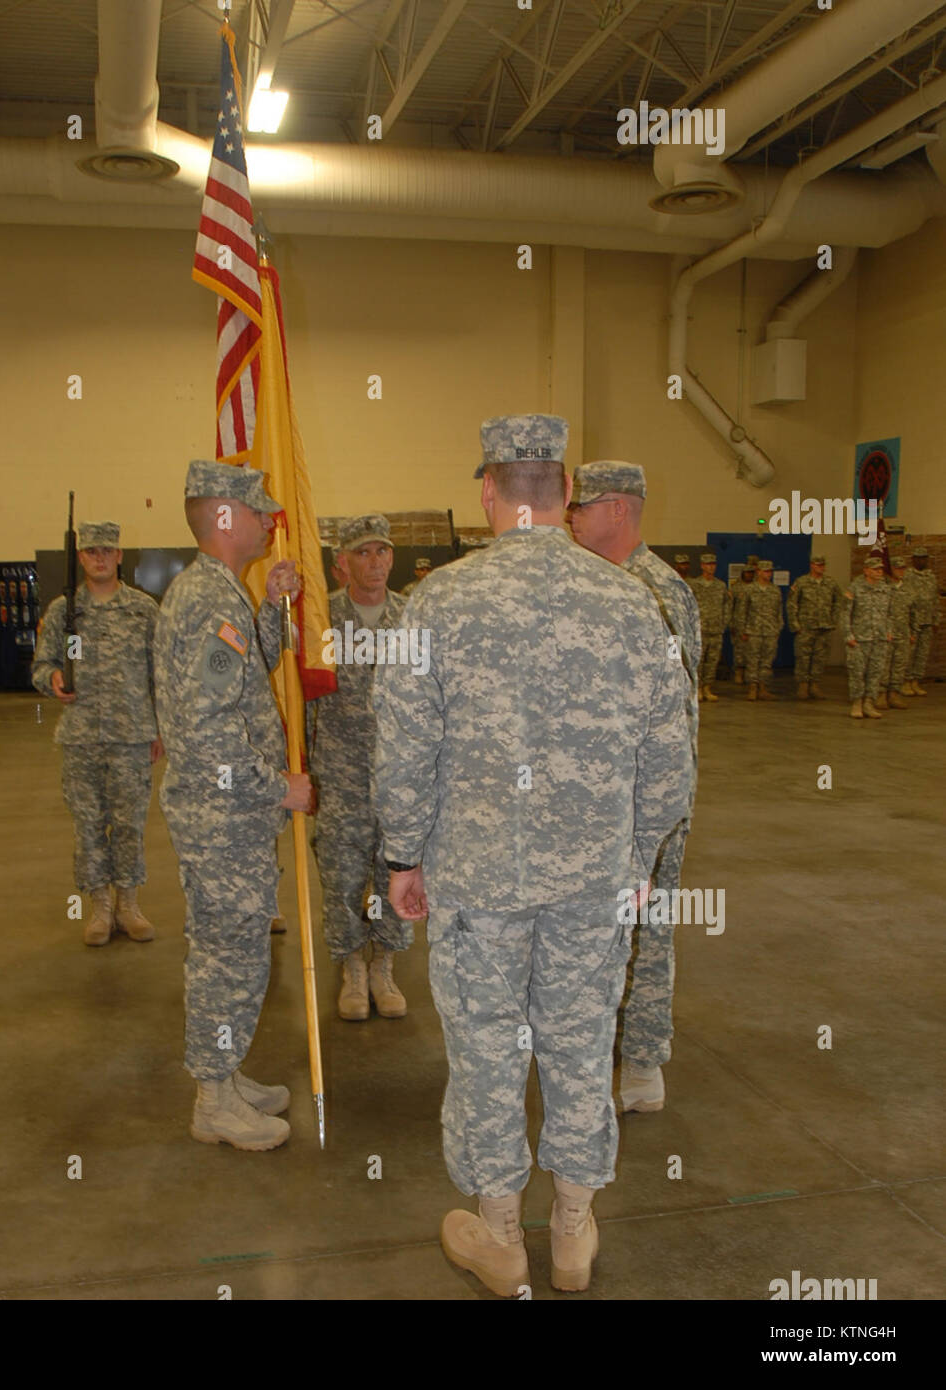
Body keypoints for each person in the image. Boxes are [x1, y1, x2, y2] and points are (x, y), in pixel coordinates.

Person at [374, 417, 691, 1296]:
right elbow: (670, 760)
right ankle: (575, 1233)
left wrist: (404, 856)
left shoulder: (435, 600)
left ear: (488, 489)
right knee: (582, 1044)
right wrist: (633, 855)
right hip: (593, 882)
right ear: (562, 492)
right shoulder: (633, 602)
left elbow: (402, 747)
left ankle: (504, 1236)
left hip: (476, 884)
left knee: (485, 1050)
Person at [155, 460, 314, 1153]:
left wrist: (274, 606)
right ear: (225, 517)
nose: (270, 522)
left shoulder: (216, 594)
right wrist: (277, 786)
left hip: (224, 818)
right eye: (259, 512)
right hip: (224, 818)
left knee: (234, 951)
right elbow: (207, 730)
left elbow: (246, 674)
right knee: (228, 957)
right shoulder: (209, 600)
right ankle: (214, 1099)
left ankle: (223, 1075)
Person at [567, 462, 701, 1117]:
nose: (569, 518)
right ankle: (602, 1050)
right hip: (601, 801)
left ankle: (641, 1063)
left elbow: (662, 717)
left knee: (645, 929)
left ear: (617, 509)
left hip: (645, 804)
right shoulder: (603, 584)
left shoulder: (652, 591)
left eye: (580, 508)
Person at [32, 525, 162, 946]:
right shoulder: (64, 611)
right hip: (81, 737)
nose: (100, 558)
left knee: (129, 824)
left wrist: (160, 729)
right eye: (91, 551)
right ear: (81, 558)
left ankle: (129, 903)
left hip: (131, 735)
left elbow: (159, 674)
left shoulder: (143, 610)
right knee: (88, 824)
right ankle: (100, 907)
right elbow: (41, 664)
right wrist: (51, 677)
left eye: (107, 550)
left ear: (120, 555)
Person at [309, 514, 411, 1021]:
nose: (375, 562)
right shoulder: (321, 620)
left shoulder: (412, 618)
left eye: (382, 551)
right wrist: (304, 770)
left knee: (396, 869)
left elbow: (430, 698)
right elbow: (306, 698)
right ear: (341, 563)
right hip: (341, 771)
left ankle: (383, 966)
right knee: (343, 877)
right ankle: (351, 967)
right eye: (363, 553)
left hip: (399, 776)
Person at [843, 556, 893, 719]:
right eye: (875, 569)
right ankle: (857, 703)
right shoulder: (855, 588)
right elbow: (845, 613)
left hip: (879, 638)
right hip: (859, 638)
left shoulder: (885, 589)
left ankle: (869, 703)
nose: (879, 572)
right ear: (866, 571)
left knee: (875, 672)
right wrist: (848, 635)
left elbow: (890, 613)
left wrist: (889, 631)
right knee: (857, 672)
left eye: (881, 569)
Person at [786, 555, 842, 701]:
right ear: (811, 565)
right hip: (806, 627)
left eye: (822, 565)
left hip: (825, 626)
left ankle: (814, 684)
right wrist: (795, 625)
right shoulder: (801, 582)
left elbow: (838, 602)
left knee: (820, 658)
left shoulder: (830, 583)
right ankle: (803, 685)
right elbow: (792, 604)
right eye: (818, 565)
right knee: (803, 656)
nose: (821, 568)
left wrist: (833, 620)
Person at [734, 560, 783, 700]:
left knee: (767, 661)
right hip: (753, 631)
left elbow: (779, 611)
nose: (769, 574)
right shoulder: (749, 590)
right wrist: (743, 630)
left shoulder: (775, 590)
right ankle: (752, 688)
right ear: (759, 572)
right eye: (766, 571)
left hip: (770, 631)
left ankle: (763, 687)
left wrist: (778, 627)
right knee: (753, 660)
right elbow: (742, 612)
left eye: (770, 571)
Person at [687, 553, 731, 703]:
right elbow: (689, 606)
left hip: (716, 629)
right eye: (707, 564)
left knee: (712, 661)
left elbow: (726, 606)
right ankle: (697, 688)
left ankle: (708, 687)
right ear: (701, 566)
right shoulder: (694, 584)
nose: (711, 567)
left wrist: (723, 623)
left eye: (713, 564)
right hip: (700, 629)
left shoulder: (721, 585)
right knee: (698, 660)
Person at [880, 557, 915, 710]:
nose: (901, 571)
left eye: (903, 568)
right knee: (884, 665)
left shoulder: (909, 589)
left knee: (899, 665)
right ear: (890, 570)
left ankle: (894, 694)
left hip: (903, 633)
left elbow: (913, 613)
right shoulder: (883, 588)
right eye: (897, 568)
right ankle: (881, 694)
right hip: (886, 633)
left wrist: (913, 632)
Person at [906, 546, 940, 696]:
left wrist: (936, 619)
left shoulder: (931, 577)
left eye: (924, 558)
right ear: (913, 559)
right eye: (918, 558)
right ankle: (905, 681)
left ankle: (916, 681)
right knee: (909, 653)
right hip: (911, 622)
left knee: (922, 653)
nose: (921, 561)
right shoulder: (907, 576)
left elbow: (935, 599)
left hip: (927, 620)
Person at [729, 556, 758, 683]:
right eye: (747, 573)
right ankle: (739, 673)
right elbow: (730, 607)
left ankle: (751, 676)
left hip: (755, 625)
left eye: (751, 573)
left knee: (753, 653)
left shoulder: (757, 588)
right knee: (739, 652)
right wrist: (731, 624)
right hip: (738, 624)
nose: (749, 575)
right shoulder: (736, 588)